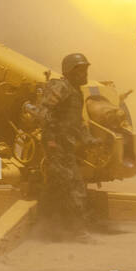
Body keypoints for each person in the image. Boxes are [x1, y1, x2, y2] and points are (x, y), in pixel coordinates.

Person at [34, 53, 91, 241]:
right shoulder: (62, 87)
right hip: (56, 144)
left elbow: (76, 121)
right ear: (70, 71)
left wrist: (88, 138)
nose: (85, 74)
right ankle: (77, 232)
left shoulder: (75, 91)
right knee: (73, 185)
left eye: (86, 69)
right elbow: (44, 112)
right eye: (81, 70)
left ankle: (44, 225)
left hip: (65, 145)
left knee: (56, 185)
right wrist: (51, 140)